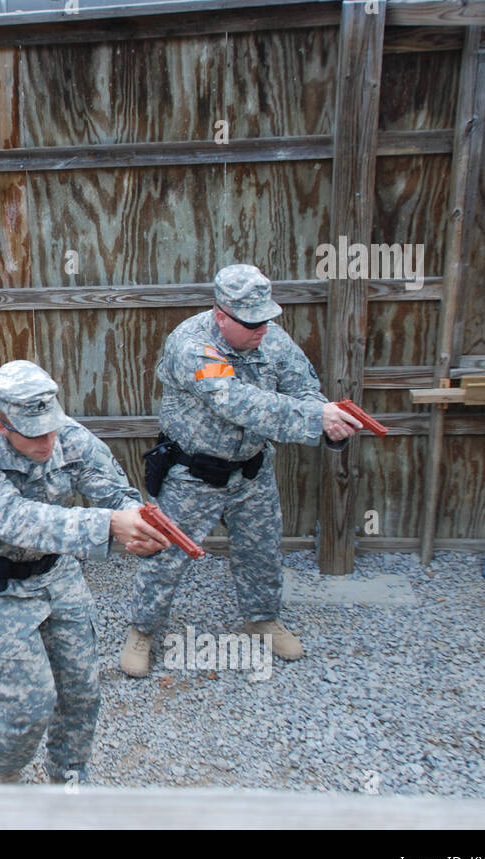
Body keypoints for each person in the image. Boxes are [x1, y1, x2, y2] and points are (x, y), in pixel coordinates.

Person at [119, 264, 362, 678]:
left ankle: (262, 618)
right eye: (250, 321)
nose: (261, 328)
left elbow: (304, 389)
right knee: (164, 555)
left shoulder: (271, 338)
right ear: (220, 315)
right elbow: (234, 401)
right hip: (191, 475)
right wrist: (313, 417)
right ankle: (142, 630)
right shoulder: (191, 345)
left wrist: (331, 423)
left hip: (251, 472)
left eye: (266, 317)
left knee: (262, 551)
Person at [0, 360, 171, 785]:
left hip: (58, 576)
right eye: (34, 433)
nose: (48, 441)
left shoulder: (66, 434)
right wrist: (105, 525)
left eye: (51, 427)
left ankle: (68, 781)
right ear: (3, 423)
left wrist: (134, 520)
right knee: (30, 704)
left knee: (82, 693)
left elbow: (113, 488)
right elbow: (10, 518)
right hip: (0, 585)